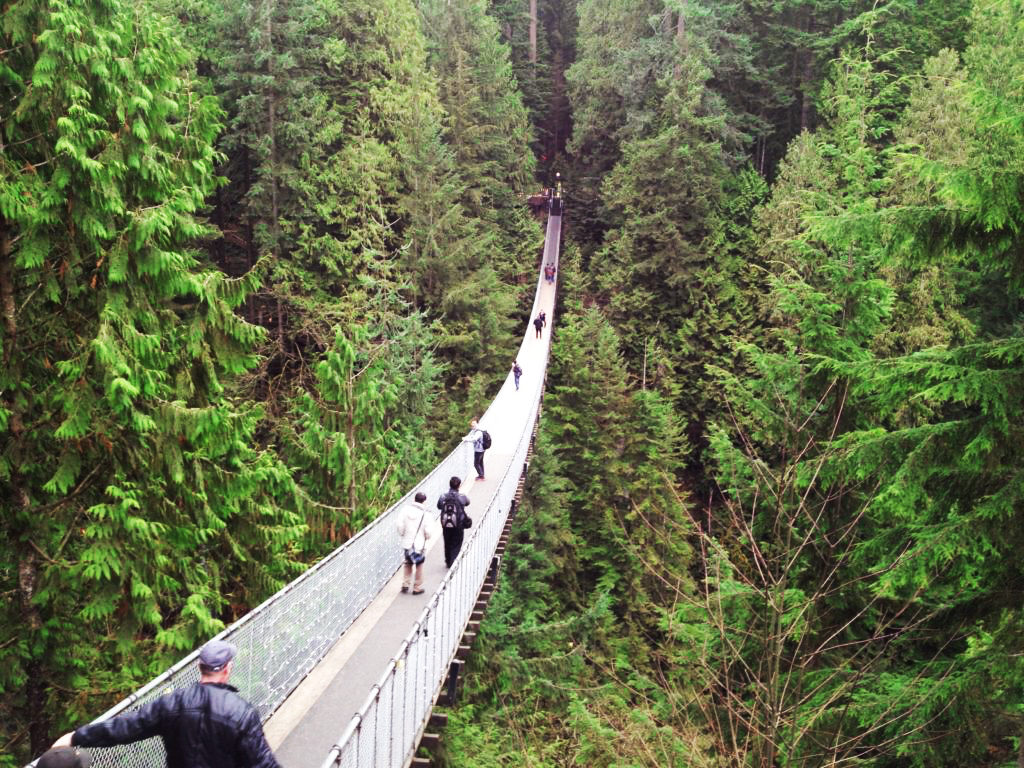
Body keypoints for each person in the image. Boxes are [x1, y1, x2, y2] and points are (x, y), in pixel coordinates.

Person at [51, 640, 281, 768]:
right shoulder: (242, 713)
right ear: (227, 668)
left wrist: (76, 737)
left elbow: (125, 727)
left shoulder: (172, 703)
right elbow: (262, 763)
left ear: (199, 668)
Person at [396, 491, 433, 594]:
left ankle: (405, 584)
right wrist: (426, 537)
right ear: (424, 501)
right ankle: (417, 587)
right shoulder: (427, 514)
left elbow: (399, 525)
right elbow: (428, 532)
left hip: (407, 543)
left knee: (408, 563)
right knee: (419, 565)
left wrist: (403, 534)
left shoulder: (405, 510)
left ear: (414, 499)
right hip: (419, 545)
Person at [437, 476, 472, 568]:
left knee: (447, 542)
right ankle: (453, 563)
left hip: (446, 524)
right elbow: (468, 502)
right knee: (456, 543)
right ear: (459, 486)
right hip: (458, 525)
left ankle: (448, 561)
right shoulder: (462, 497)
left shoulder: (443, 496)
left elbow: (439, 506)